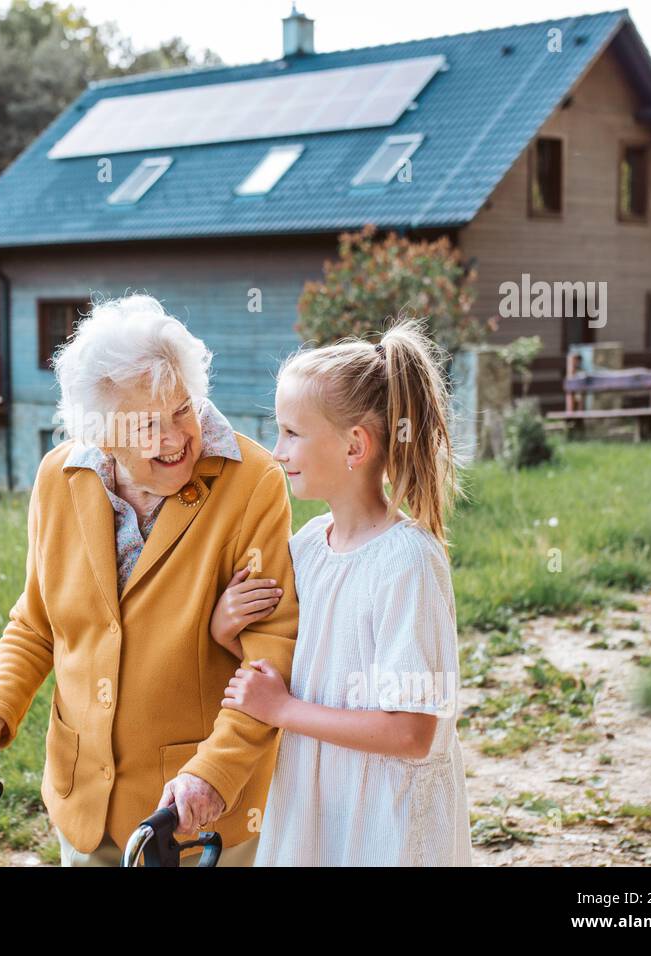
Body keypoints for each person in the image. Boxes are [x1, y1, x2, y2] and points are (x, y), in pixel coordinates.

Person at [0, 293, 299, 866]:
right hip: (84, 799)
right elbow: (36, 621)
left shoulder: (251, 482)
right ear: (101, 430)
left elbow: (272, 651)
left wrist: (215, 771)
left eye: (183, 409)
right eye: (147, 425)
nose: (176, 438)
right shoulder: (59, 477)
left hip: (193, 809)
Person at [211, 318, 473, 866]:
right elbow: (302, 671)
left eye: (291, 433)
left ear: (355, 445)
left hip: (386, 823)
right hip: (316, 806)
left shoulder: (408, 562)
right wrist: (228, 633)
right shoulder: (306, 547)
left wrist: (282, 709)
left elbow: (411, 733)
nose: (276, 451)